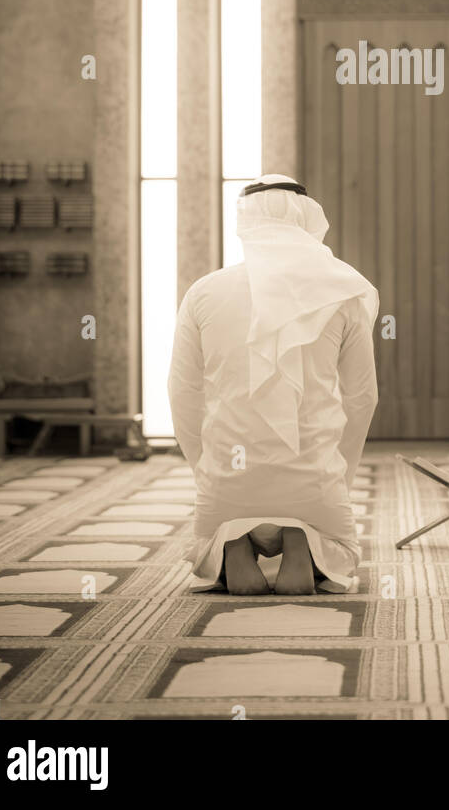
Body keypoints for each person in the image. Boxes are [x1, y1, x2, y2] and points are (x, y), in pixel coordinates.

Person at [168, 175, 379, 596]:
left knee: (212, 524)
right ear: (306, 218)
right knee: (340, 540)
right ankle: (305, 540)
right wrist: (338, 470)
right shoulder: (345, 291)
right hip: (313, 477)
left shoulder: (204, 291)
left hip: (228, 477)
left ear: (244, 223)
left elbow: (182, 392)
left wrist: (206, 468)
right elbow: (362, 397)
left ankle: (232, 543)